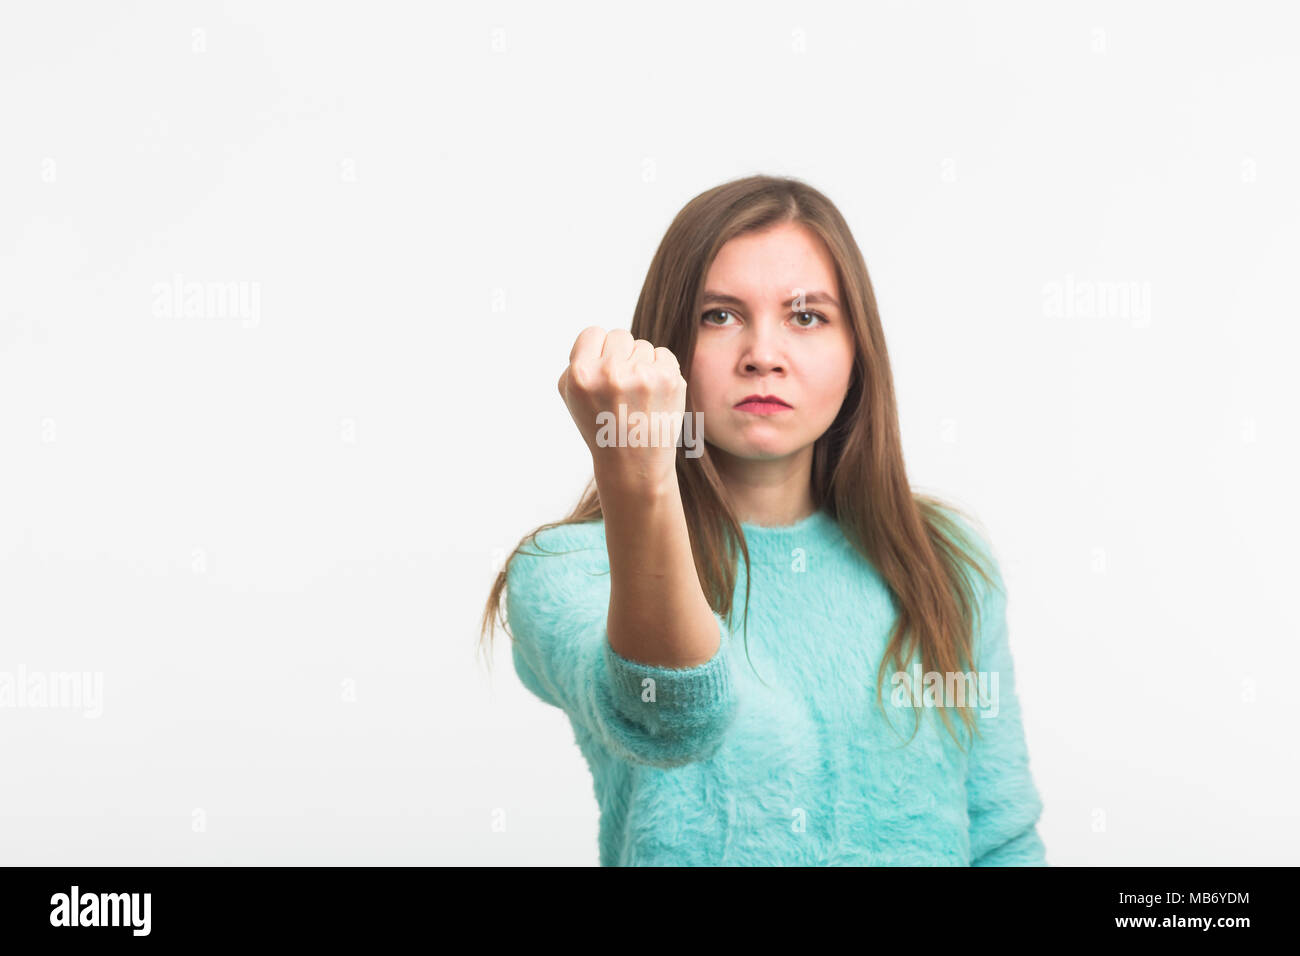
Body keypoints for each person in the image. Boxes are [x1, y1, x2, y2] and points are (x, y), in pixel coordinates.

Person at [479, 174, 1048, 866]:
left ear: (857, 351)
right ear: (666, 348)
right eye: (719, 316)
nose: (763, 356)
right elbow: (671, 719)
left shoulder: (946, 562)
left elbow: (1001, 838)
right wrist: (635, 469)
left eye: (807, 316)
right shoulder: (569, 569)